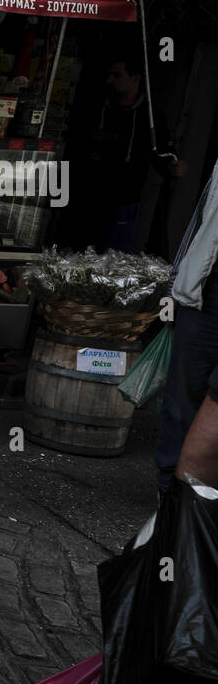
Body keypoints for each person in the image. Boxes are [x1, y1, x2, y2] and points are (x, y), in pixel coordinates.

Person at [73, 49, 186, 252]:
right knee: (76, 253)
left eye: (117, 75)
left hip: (123, 202)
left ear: (135, 78)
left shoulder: (149, 117)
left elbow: (164, 154)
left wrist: (175, 164)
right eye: (109, 75)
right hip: (86, 197)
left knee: (111, 260)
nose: (110, 80)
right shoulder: (96, 107)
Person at [154, 158, 218, 492]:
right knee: (181, 399)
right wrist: (177, 282)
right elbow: (204, 218)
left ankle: (203, 503)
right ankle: (171, 498)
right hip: (207, 292)